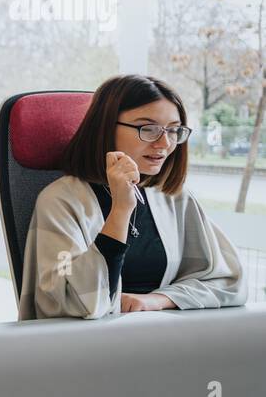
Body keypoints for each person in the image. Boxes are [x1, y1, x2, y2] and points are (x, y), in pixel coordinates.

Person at [20, 75, 246, 319]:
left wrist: (157, 300)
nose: (164, 143)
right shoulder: (60, 202)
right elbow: (68, 300)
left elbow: (230, 282)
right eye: (148, 129)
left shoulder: (173, 198)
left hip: (159, 340)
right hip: (86, 349)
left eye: (173, 130)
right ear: (106, 127)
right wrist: (121, 210)